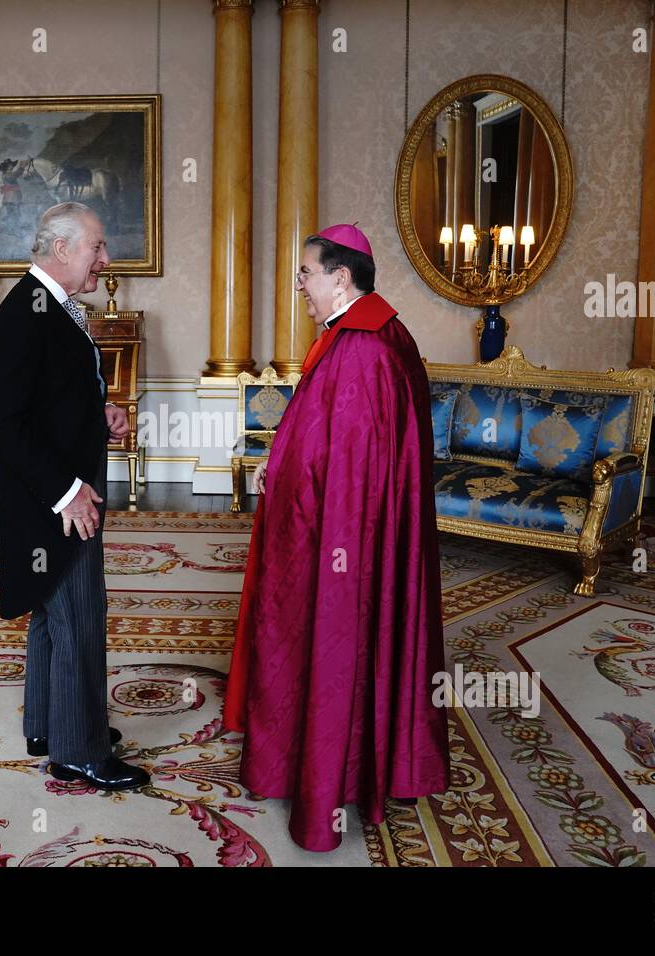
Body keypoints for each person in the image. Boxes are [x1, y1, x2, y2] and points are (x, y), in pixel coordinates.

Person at [223, 223, 449, 851]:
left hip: (341, 538)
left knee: (336, 640)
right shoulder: (368, 332)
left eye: (306, 272)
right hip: (347, 524)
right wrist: (282, 454)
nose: (300, 284)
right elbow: (322, 429)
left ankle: (331, 774)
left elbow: (350, 467)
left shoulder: (367, 346)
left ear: (340, 278)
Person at [0, 201, 149, 791]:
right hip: (56, 498)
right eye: (96, 248)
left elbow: (47, 398)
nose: (105, 258)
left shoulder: (50, 305)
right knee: (78, 614)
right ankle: (78, 752)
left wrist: (95, 415)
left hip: (61, 488)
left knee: (53, 610)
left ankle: (49, 724)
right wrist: (69, 491)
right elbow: (3, 420)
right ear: (61, 249)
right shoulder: (26, 313)